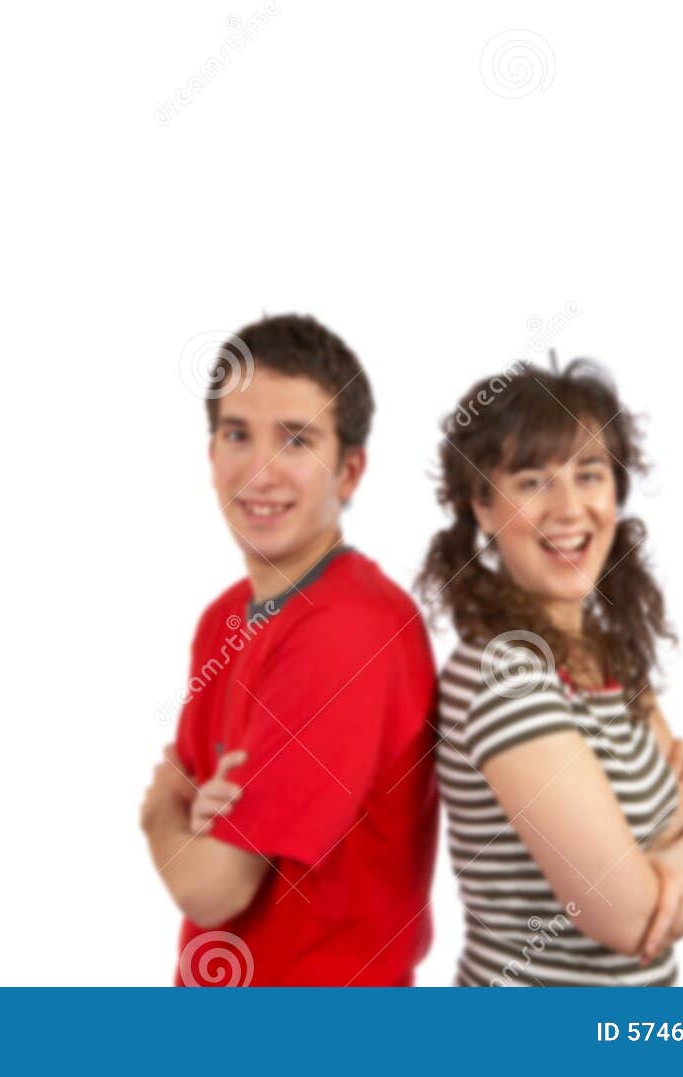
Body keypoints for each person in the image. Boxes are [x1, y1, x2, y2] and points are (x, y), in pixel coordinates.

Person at [141, 314, 439, 986]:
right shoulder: (224, 618)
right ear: (211, 450)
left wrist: (161, 812)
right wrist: (187, 814)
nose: (260, 470)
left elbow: (211, 887)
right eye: (237, 433)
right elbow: (191, 806)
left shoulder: (350, 630)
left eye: (296, 439)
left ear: (350, 468)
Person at [419, 358, 683, 986]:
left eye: (589, 475)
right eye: (534, 481)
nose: (569, 508)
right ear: (482, 505)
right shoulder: (505, 678)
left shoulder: (604, 651)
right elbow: (626, 918)